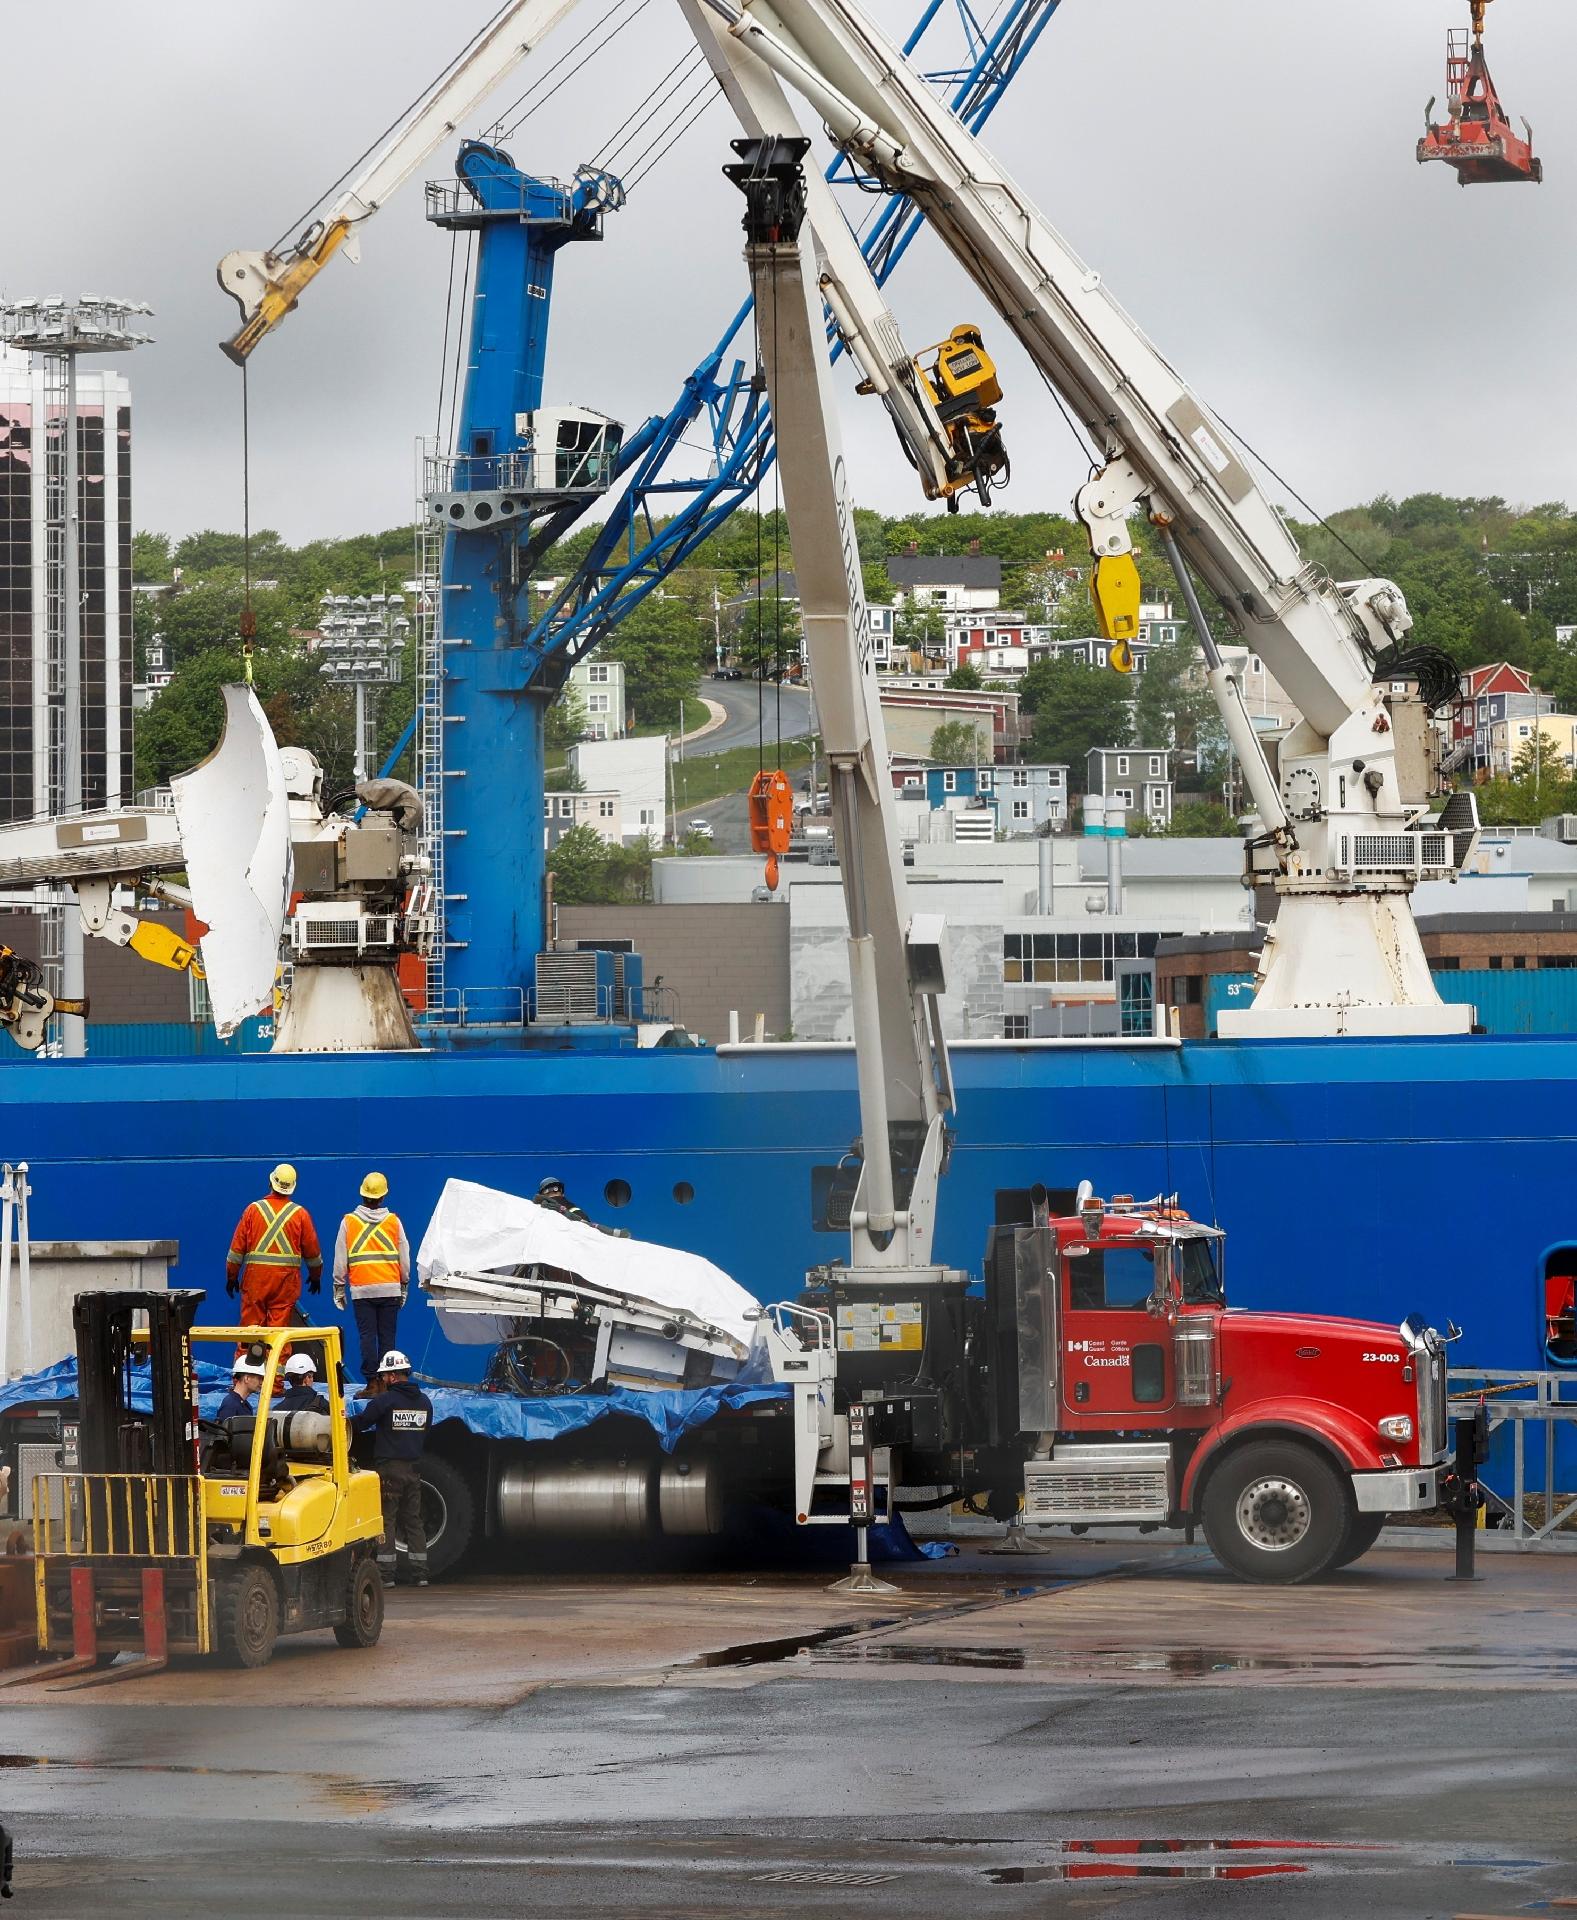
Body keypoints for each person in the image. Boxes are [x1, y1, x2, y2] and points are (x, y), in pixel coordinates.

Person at [349, 1349, 432, 1587]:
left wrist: (339, 1421)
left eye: (384, 1376)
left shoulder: (385, 1401)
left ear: (393, 1376)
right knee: (413, 1520)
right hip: (413, 1469)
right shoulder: (424, 1402)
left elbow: (361, 1423)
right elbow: (425, 1430)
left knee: (387, 1520)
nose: (382, 1380)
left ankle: (386, 1575)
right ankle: (421, 1574)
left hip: (389, 1470)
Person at [226, 1164, 323, 1337]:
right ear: (292, 1187)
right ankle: (278, 1356)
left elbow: (236, 1250)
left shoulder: (252, 1210)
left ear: (270, 1182)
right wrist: (315, 1277)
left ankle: (247, 1355)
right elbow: (313, 1253)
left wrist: (232, 1277)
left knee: (250, 1334)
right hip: (285, 1283)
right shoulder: (300, 1214)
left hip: (255, 1281)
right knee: (279, 1335)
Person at [333, 1172, 411, 1382]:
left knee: (367, 1337)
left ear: (362, 1194)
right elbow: (404, 1257)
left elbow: (340, 1257)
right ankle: (387, 1381)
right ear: (383, 1196)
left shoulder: (348, 1222)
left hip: (362, 1289)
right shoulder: (394, 1222)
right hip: (390, 1288)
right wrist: (404, 1284)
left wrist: (339, 1286)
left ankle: (371, 1383)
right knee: (387, 1338)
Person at [215, 1351, 267, 1422]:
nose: (261, 1382)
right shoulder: (230, 1405)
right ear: (247, 1378)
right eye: (259, 1378)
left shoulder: (245, 1405)